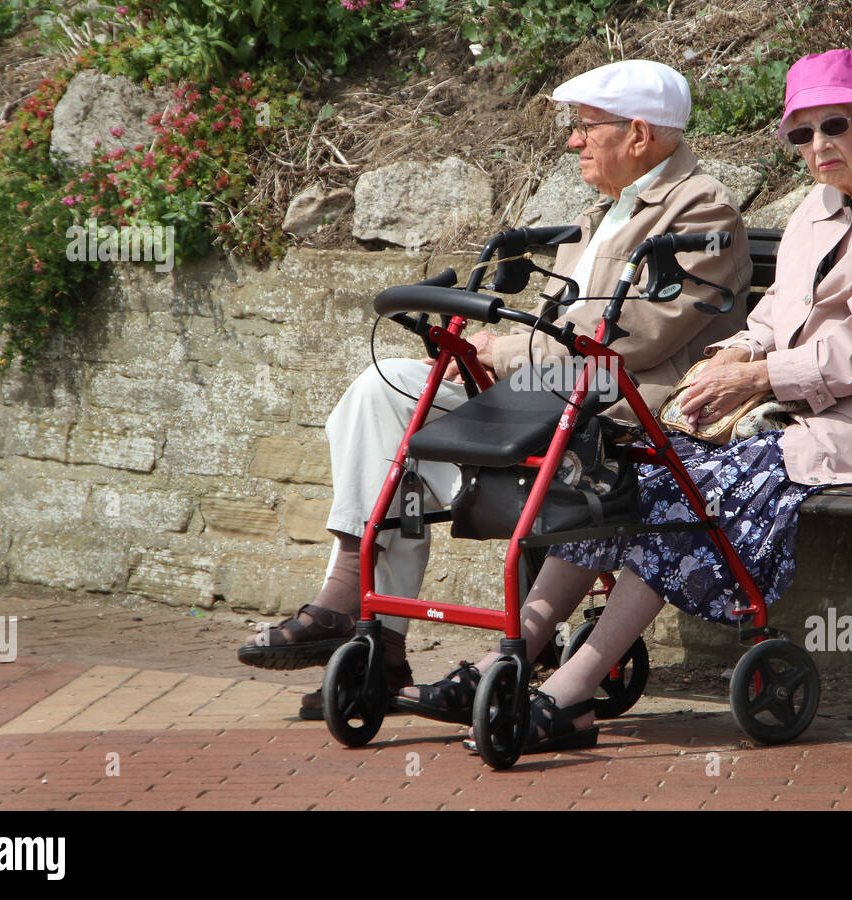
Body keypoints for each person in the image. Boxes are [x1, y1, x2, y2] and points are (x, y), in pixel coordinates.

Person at [402, 48, 852, 753]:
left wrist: (763, 377)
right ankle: (513, 651)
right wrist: (734, 357)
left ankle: (569, 693)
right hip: (787, 410)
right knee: (631, 472)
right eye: (801, 134)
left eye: (836, 125)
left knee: (688, 494)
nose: (819, 146)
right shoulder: (821, 201)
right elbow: (776, 314)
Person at [237, 59, 753, 720]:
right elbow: (558, 325)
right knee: (380, 391)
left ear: (640, 135)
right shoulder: (604, 210)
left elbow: (632, 337)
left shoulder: (701, 209)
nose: (572, 142)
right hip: (547, 390)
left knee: (422, 420)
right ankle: (367, 626)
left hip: (613, 410)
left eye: (586, 128)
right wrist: (478, 358)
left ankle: (378, 629)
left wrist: (501, 353)